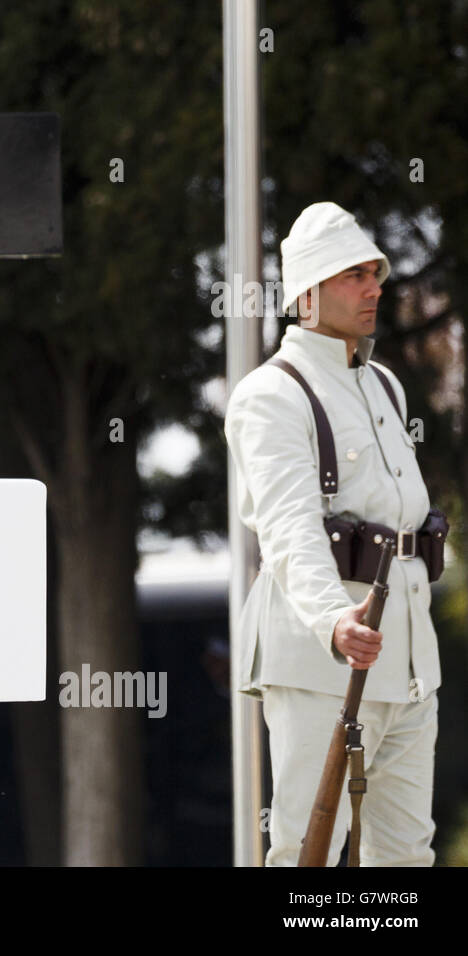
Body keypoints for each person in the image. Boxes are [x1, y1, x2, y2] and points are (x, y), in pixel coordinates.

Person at [225, 201, 441, 866]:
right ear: (308, 294)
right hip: (322, 659)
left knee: (406, 858)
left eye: (374, 271)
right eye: (353, 274)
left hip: (407, 661)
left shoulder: (384, 385)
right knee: (305, 853)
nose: (374, 286)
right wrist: (332, 621)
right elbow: (288, 532)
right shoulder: (271, 394)